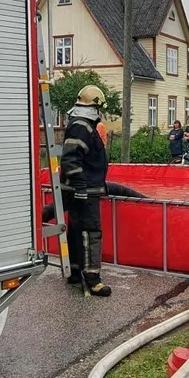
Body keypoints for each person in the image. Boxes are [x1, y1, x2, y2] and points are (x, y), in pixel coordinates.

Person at [59, 85, 112, 297]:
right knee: (91, 232)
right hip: (84, 190)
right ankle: (93, 279)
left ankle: (74, 272)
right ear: (95, 106)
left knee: (75, 230)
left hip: (83, 189)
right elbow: (71, 158)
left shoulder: (81, 124)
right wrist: (81, 186)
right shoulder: (82, 126)